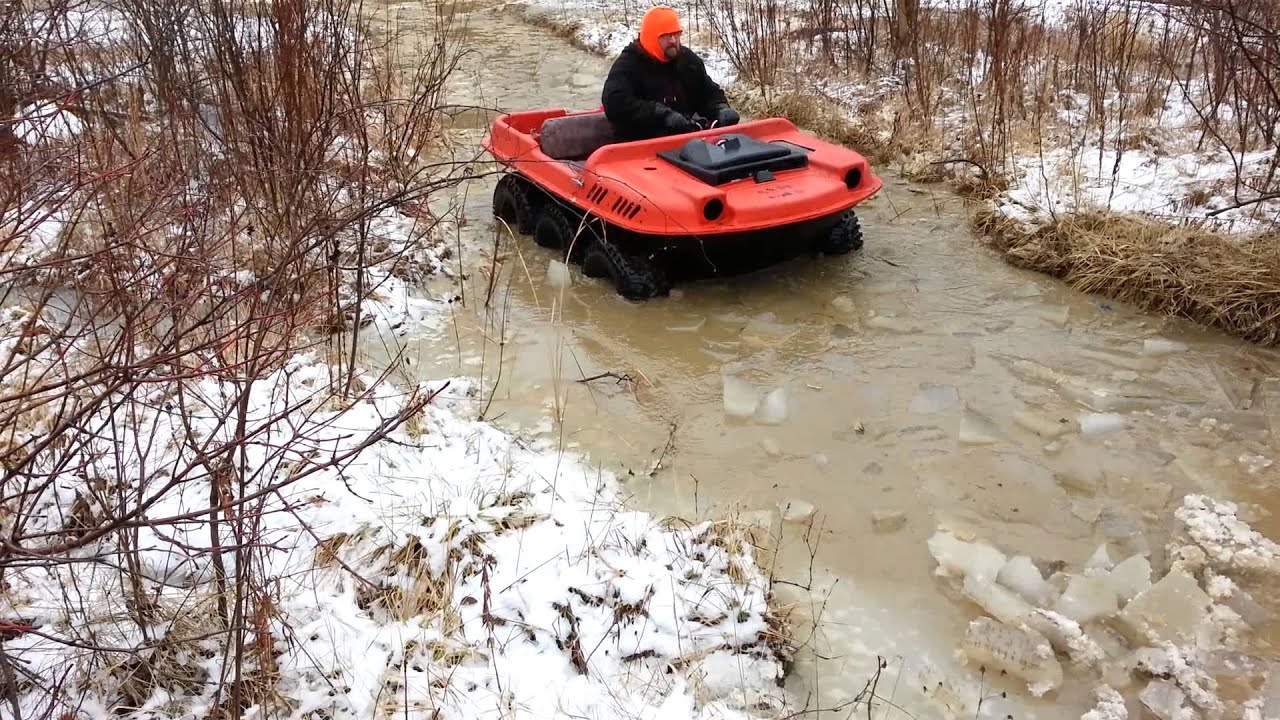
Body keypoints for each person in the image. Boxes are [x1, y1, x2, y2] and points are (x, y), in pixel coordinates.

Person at [601, 5, 741, 141]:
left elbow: (707, 92)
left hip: (685, 140)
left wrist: (720, 108)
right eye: (666, 36)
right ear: (651, 37)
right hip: (638, 146)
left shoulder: (688, 61)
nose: (673, 41)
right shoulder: (629, 64)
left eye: (676, 34)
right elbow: (615, 102)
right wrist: (661, 115)